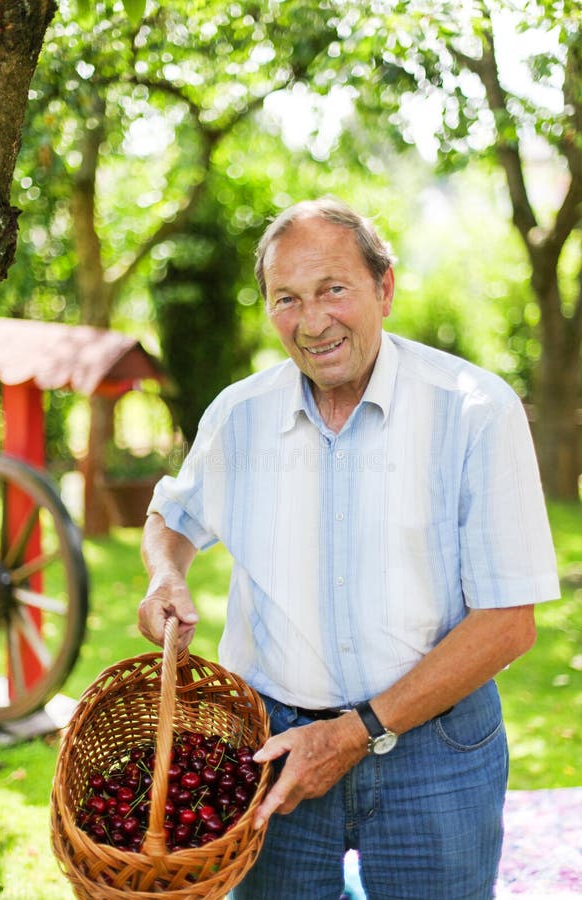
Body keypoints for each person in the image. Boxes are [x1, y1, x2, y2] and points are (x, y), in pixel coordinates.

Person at [138, 197, 560, 899]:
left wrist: (352, 734)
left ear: (384, 288)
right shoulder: (239, 415)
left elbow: (508, 623)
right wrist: (163, 574)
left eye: (334, 289)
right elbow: (172, 516)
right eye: (287, 299)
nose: (312, 321)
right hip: (274, 750)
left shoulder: (474, 411)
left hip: (437, 751)